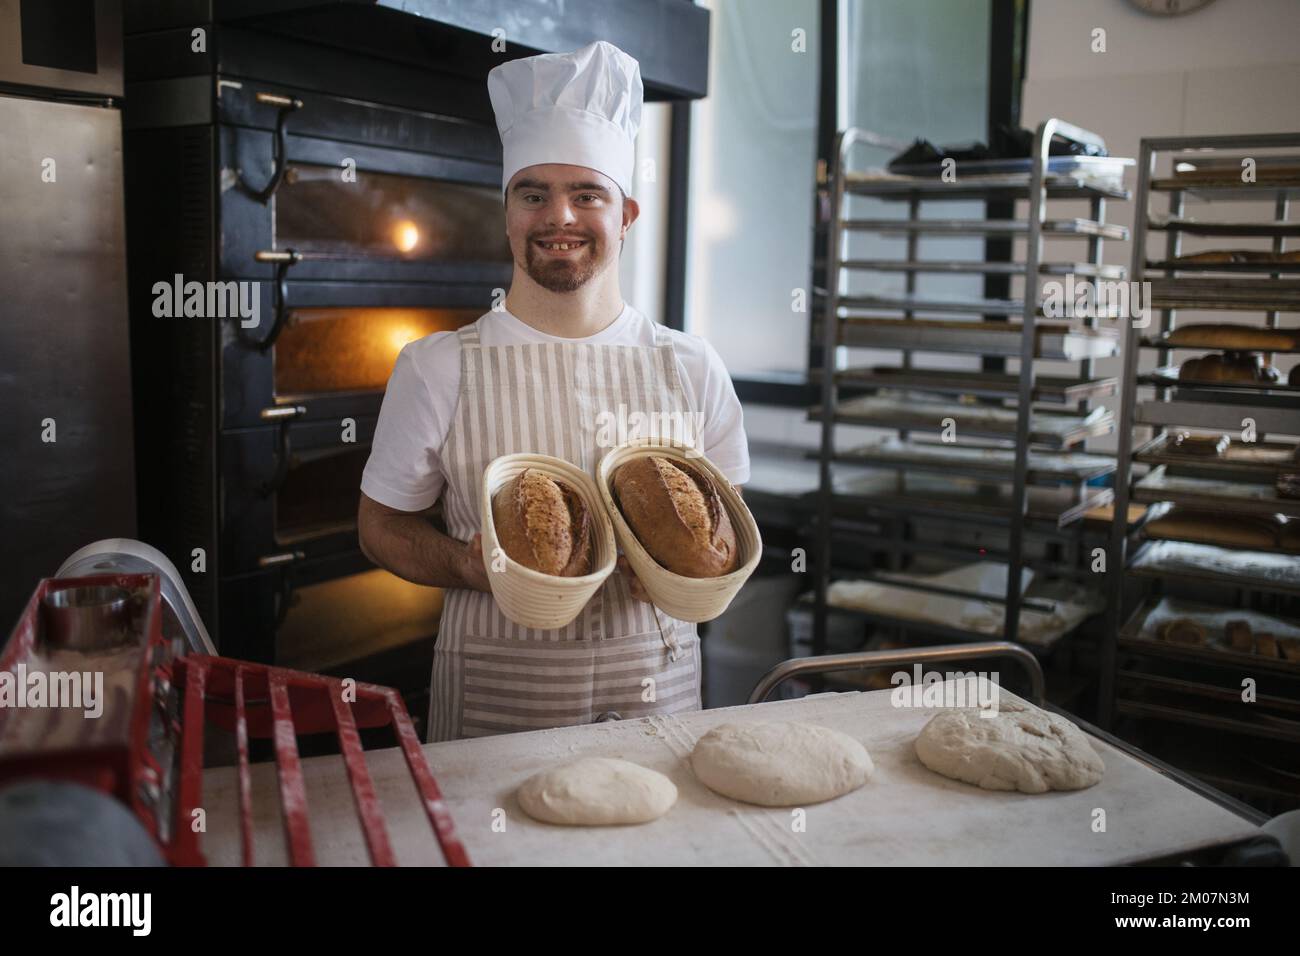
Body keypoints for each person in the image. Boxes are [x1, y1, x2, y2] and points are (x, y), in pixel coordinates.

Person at [357, 40, 750, 742]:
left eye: (585, 195)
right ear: (508, 215)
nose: (558, 217)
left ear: (625, 215)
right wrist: (468, 566)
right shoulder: (437, 366)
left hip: (657, 706)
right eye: (533, 194)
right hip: (496, 715)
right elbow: (380, 528)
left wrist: (691, 587)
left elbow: (731, 538)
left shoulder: (691, 366)